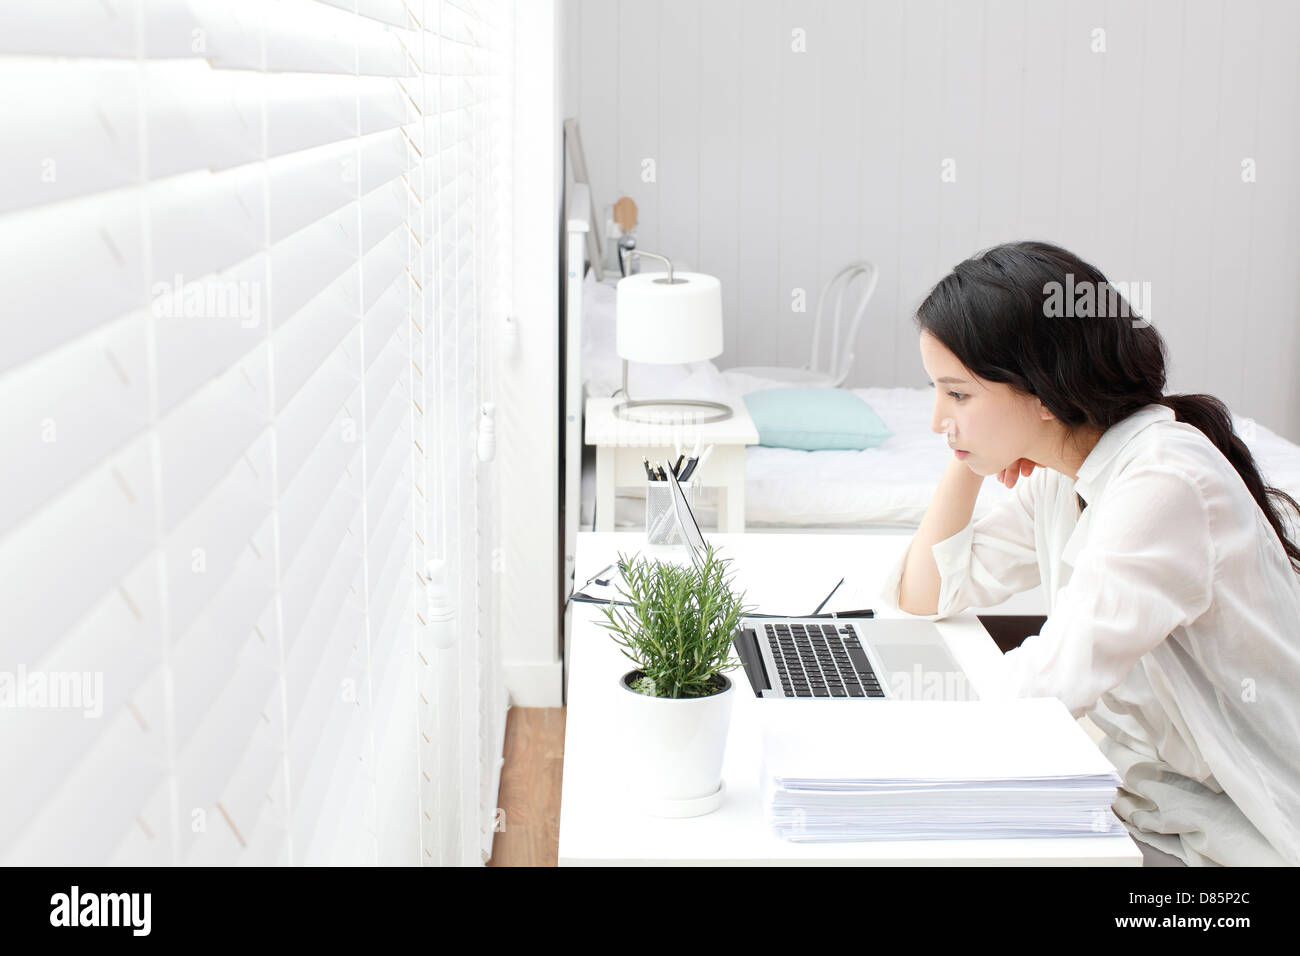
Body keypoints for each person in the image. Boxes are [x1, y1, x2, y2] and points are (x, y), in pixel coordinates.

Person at [882, 241, 1300, 866]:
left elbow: (1048, 683)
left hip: (1245, 822)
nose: (937, 417)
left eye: (958, 394)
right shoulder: (1066, 469)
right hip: (1151, 798)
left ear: (1044, 393)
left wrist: (886, 748)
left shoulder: (1164, 482)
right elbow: (928, 592)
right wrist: (967, 455)